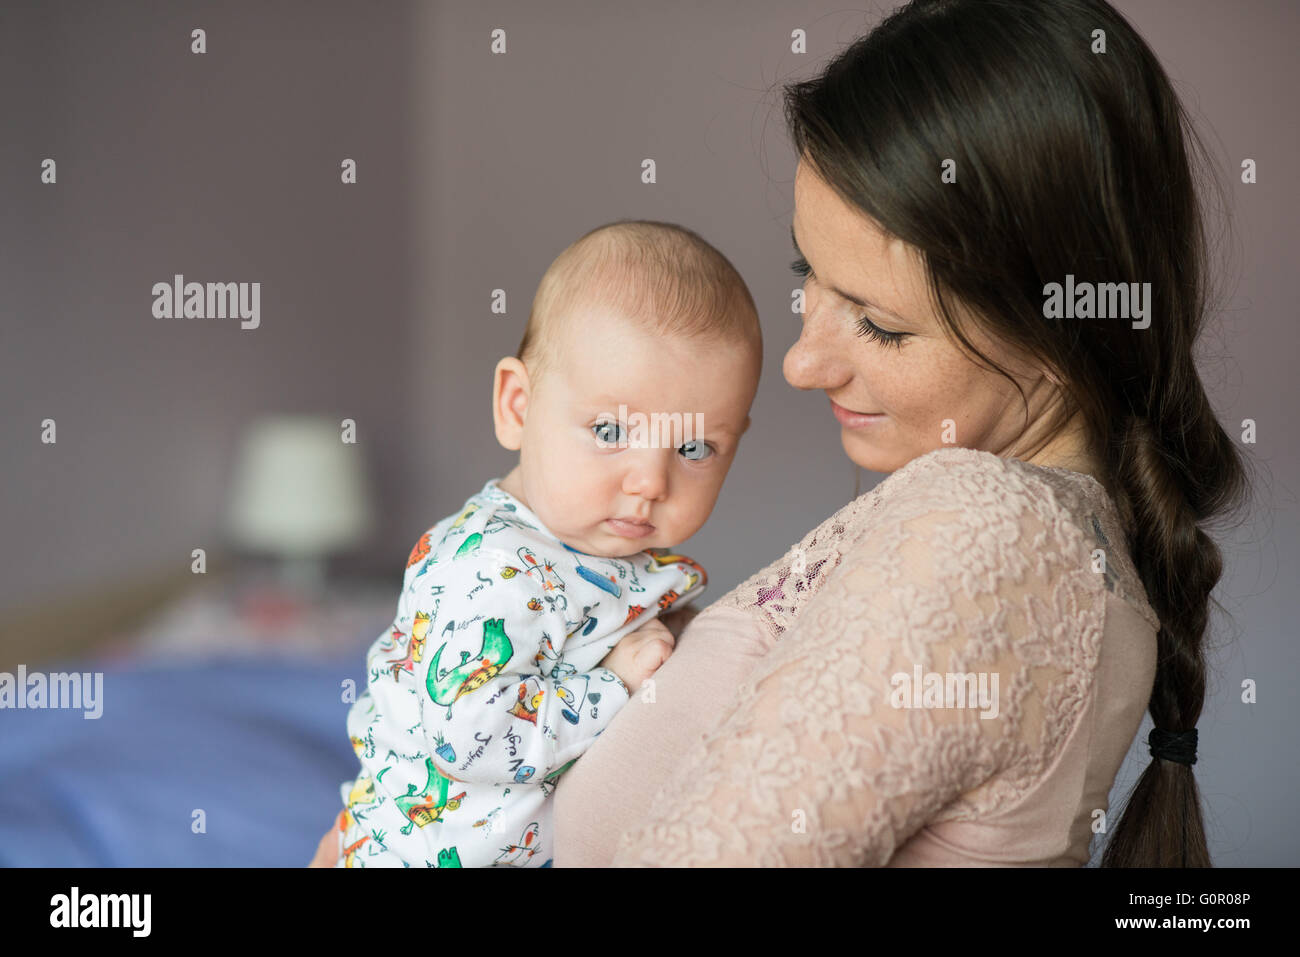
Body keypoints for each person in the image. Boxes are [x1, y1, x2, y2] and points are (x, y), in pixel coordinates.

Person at [310, 0, 1250, 868]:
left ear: (1058, 333)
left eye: (878, 321)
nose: (802, 364)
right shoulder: (1031, 535)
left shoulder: (987, 528)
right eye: (810, 274)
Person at [327, 220, 761, 866]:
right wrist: (613, 683)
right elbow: (470, 737)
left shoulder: (606, 558)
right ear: (517, 406)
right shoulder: (492, 567)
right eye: (611, 429)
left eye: (695, 446)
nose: (649, 479)